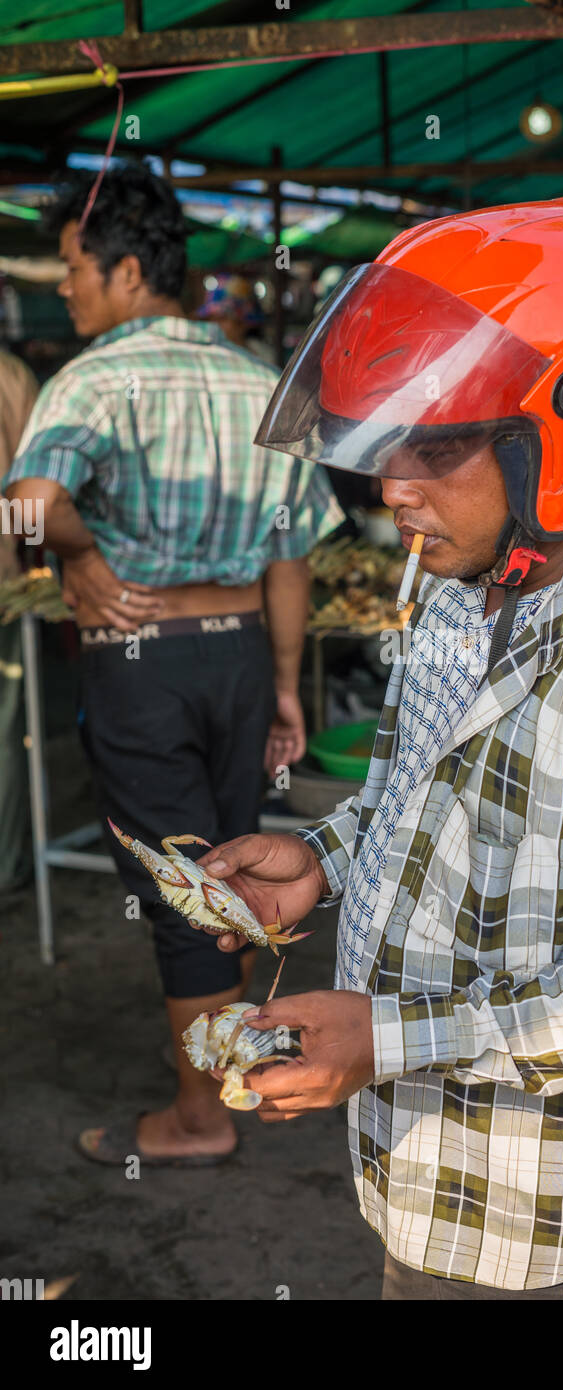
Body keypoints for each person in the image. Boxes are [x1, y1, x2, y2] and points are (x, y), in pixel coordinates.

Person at [195, 198, 563, 1298]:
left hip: (555, 1210)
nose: (391, 492)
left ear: (558, 426)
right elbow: (425, 782)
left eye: (434, 445)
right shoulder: (474, 568)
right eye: (384, 445)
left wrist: (393, 1037)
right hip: (437, 1166)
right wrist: (326, 855)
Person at [2, 163, 344, 1164]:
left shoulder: (95, 376)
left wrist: (80, 551)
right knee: (226, 869)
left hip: (141, 664)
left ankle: (203, 1119)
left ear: (125, 270)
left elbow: (25, 501)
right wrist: (284, 685)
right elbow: (293, 555)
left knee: (184, 890)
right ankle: (245, 1073)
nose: (62, 286)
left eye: (72, 266)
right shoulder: (257, 379)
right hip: (240, 659)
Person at [0, 347, 40, 894]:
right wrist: (30, 551)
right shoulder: (11, 373)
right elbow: (32, 489)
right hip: (5, 582)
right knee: (5, 733)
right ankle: (5, 867)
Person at [195, 272, 275, 365]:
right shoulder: (203, 355)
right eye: (210, 319)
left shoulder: (263, 358)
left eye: (222, 319)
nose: (213, 325)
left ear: (242, 324)